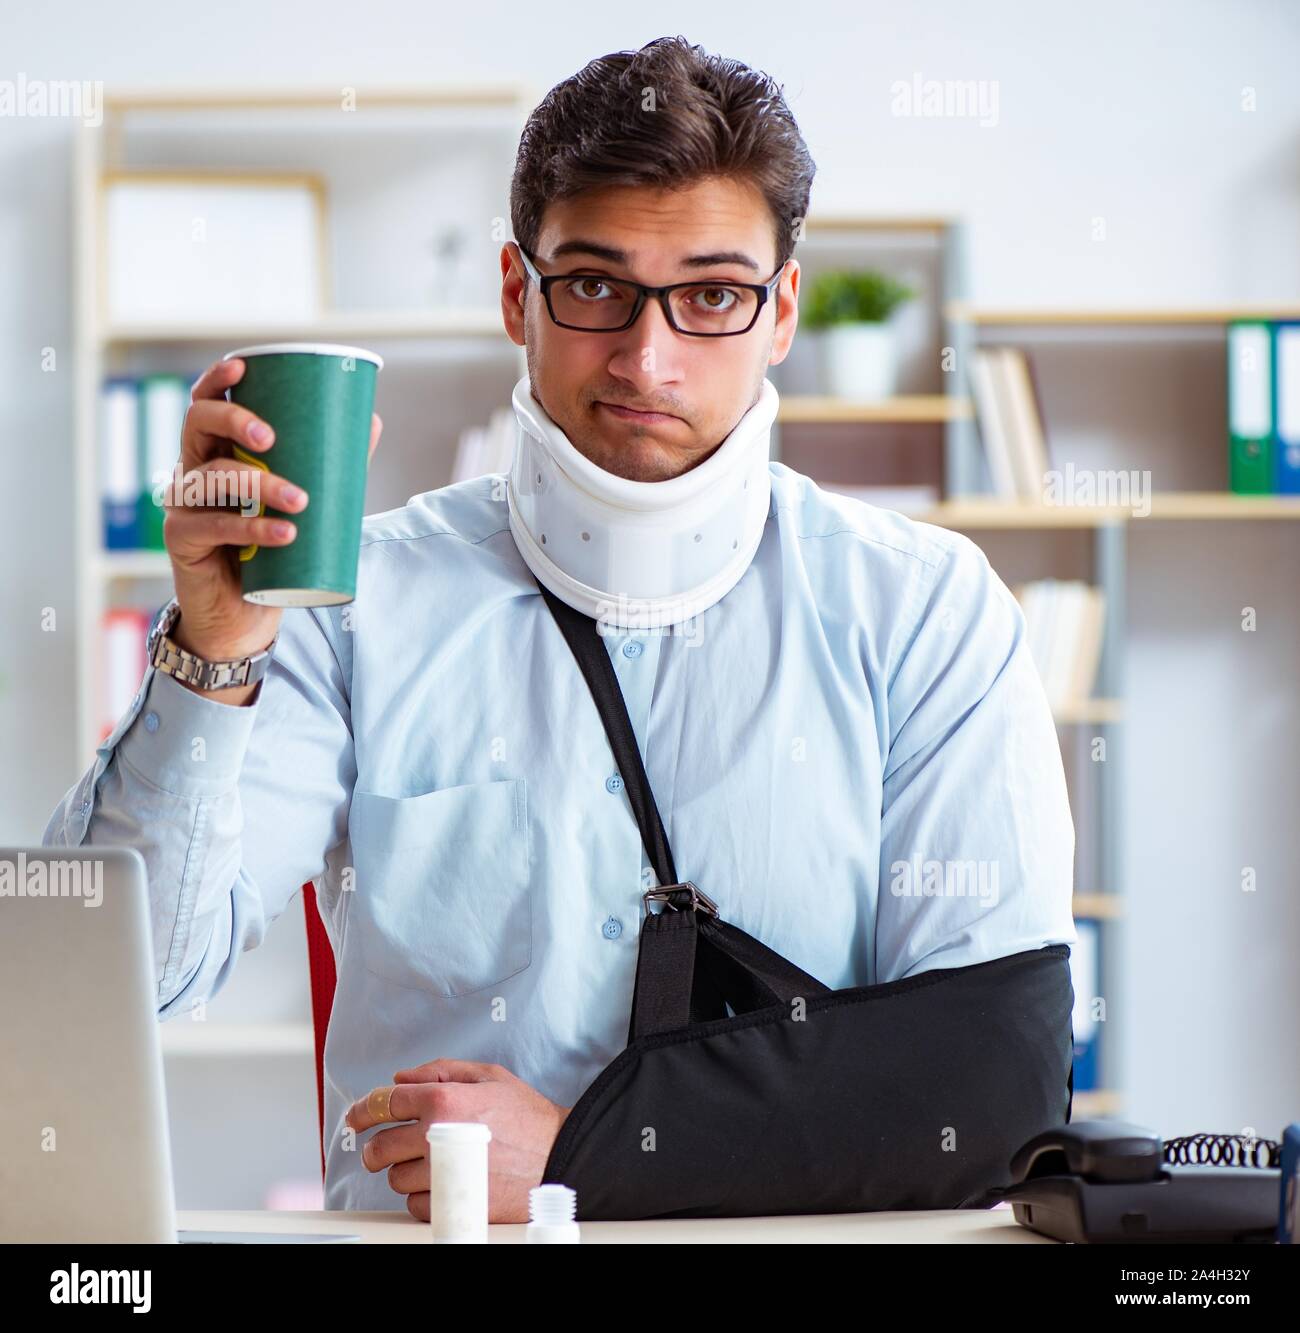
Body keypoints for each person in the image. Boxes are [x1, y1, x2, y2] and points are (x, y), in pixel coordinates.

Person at [45, 35, 1075, 1221]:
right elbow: (117, 996)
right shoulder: (350, 608)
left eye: (711, 294)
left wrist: (594, 1152)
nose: (648, 355)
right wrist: (212, 651)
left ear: (781, 309)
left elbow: (988, 1083)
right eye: (593, 285)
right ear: (513, 294)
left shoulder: (926, 612)